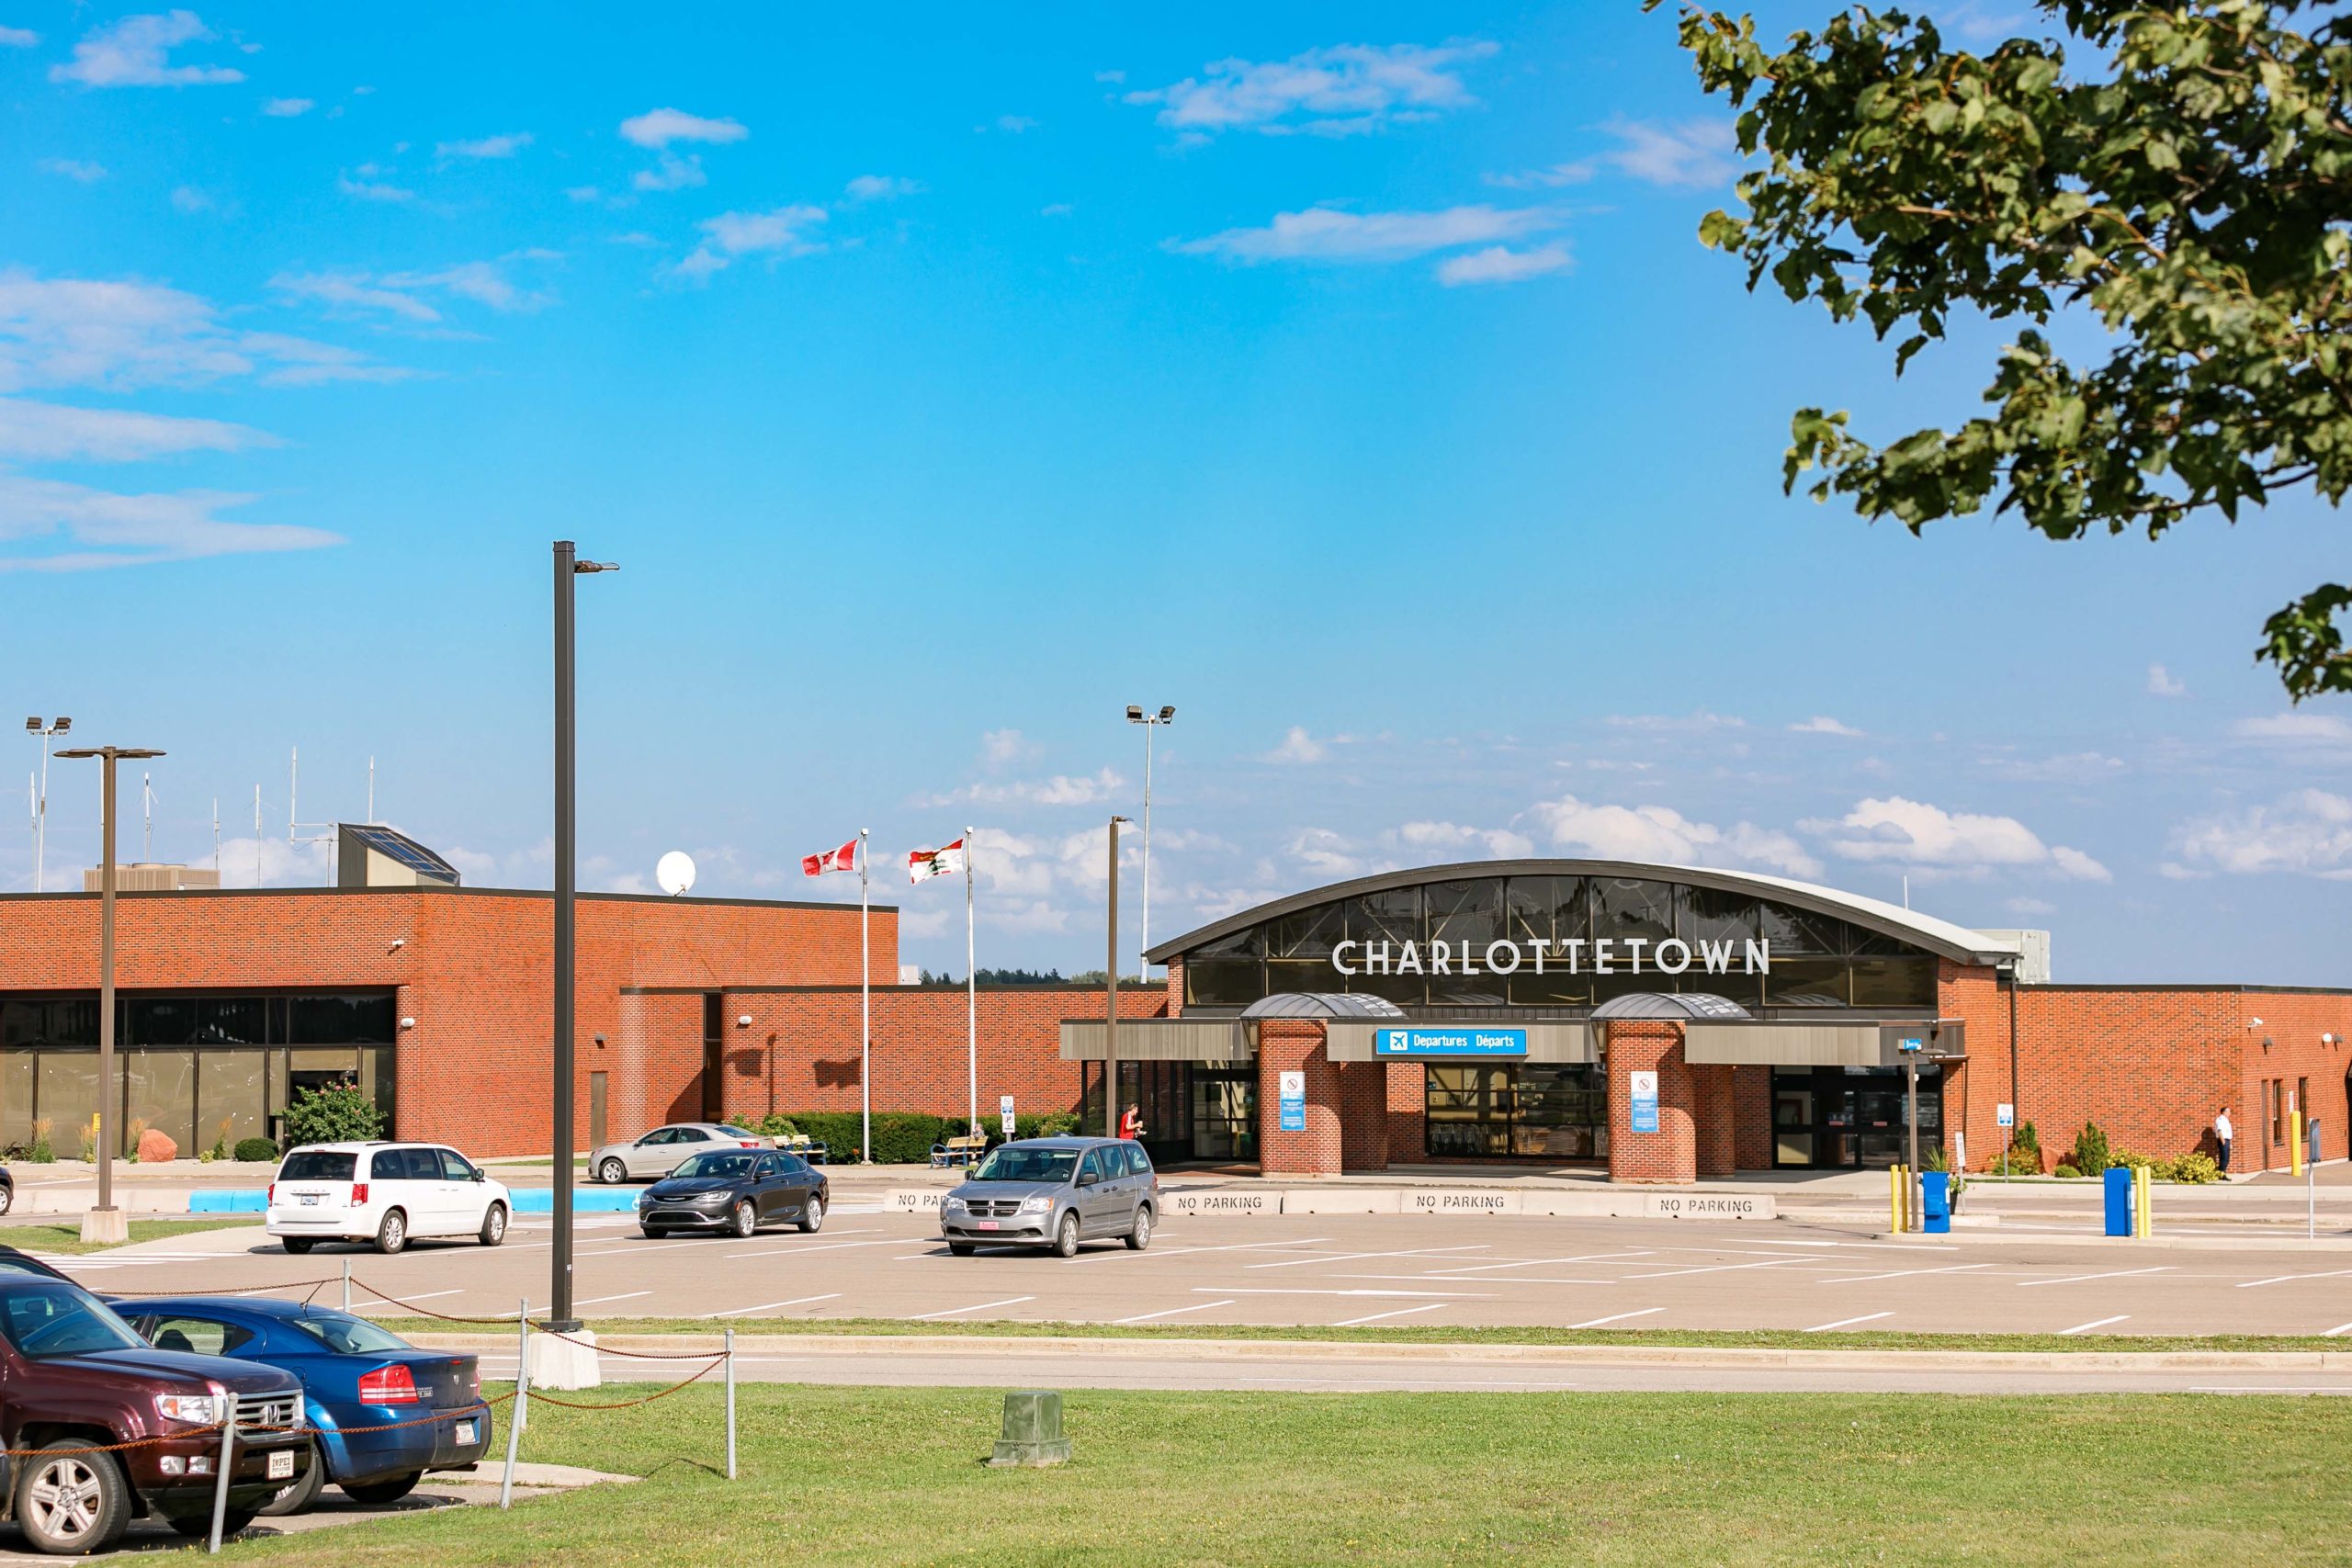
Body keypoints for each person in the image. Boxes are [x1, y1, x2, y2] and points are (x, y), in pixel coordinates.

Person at [2214, 1105, 2233, 1174]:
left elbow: (2228, 1133)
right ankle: (2221, 1174)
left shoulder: (2226, 1120)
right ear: (2224, 1112)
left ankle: (2222, 1172)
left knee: (2226, 1158)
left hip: (2226, 1140)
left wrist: (2229, 1143)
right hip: (2223, 1140)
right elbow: (2219, 1131)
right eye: (2228, 1112)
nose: (2230, 1113)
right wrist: (2223, 1142)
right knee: (2224, 1158)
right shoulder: (2221, 1120)